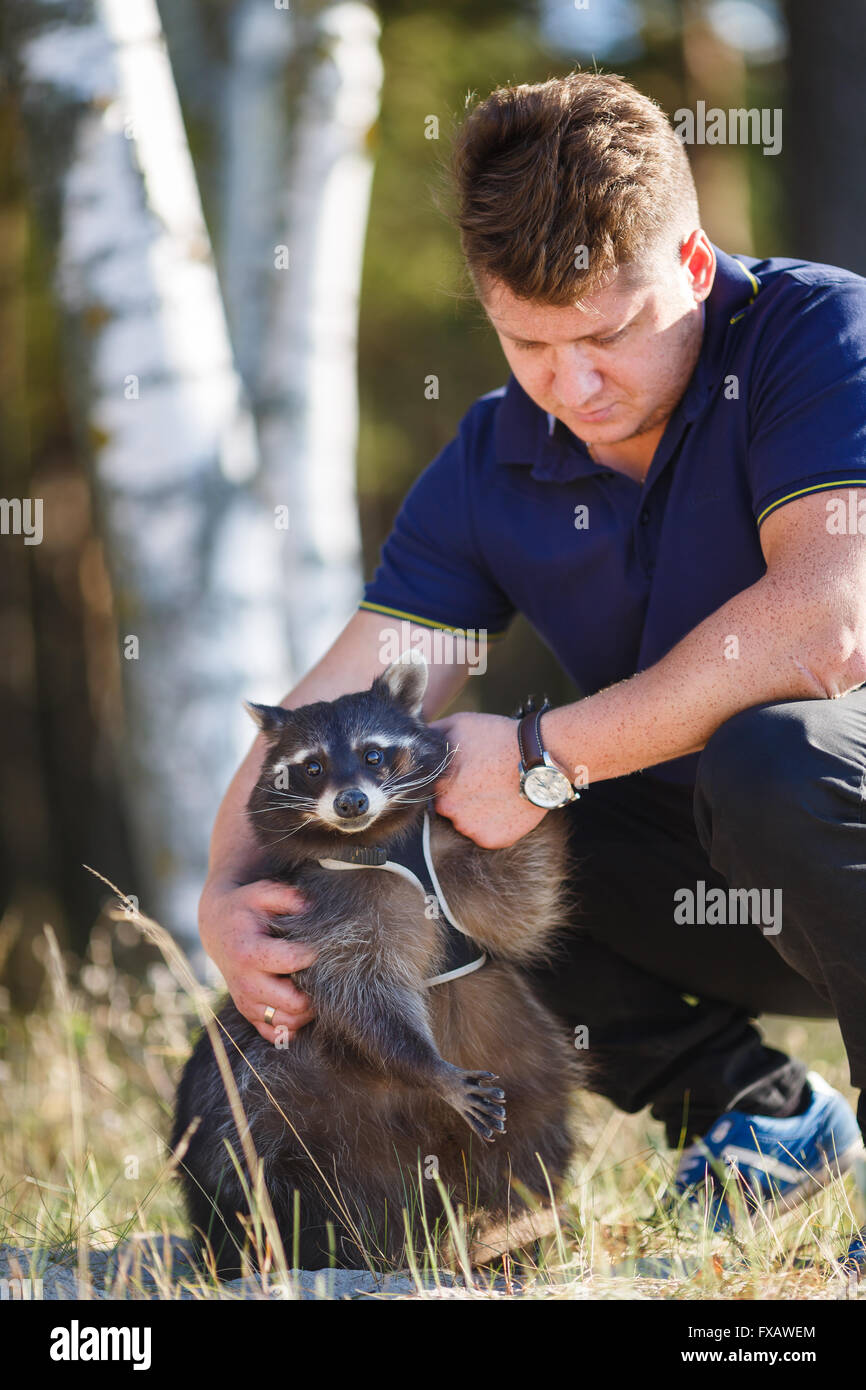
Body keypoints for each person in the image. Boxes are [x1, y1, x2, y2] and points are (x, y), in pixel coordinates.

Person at [197, 71, 866, 1256]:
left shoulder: (817, 337)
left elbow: (827, 624)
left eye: (608, 334)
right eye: (527, 343)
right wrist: (225, 890)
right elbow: (338, 701)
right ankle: (752, 1121)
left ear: (695, 267)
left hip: (827, 812)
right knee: (428, 814)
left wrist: (546, 754)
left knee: (769, 754)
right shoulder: (495, 456)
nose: (572, 385)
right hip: (726, 881)